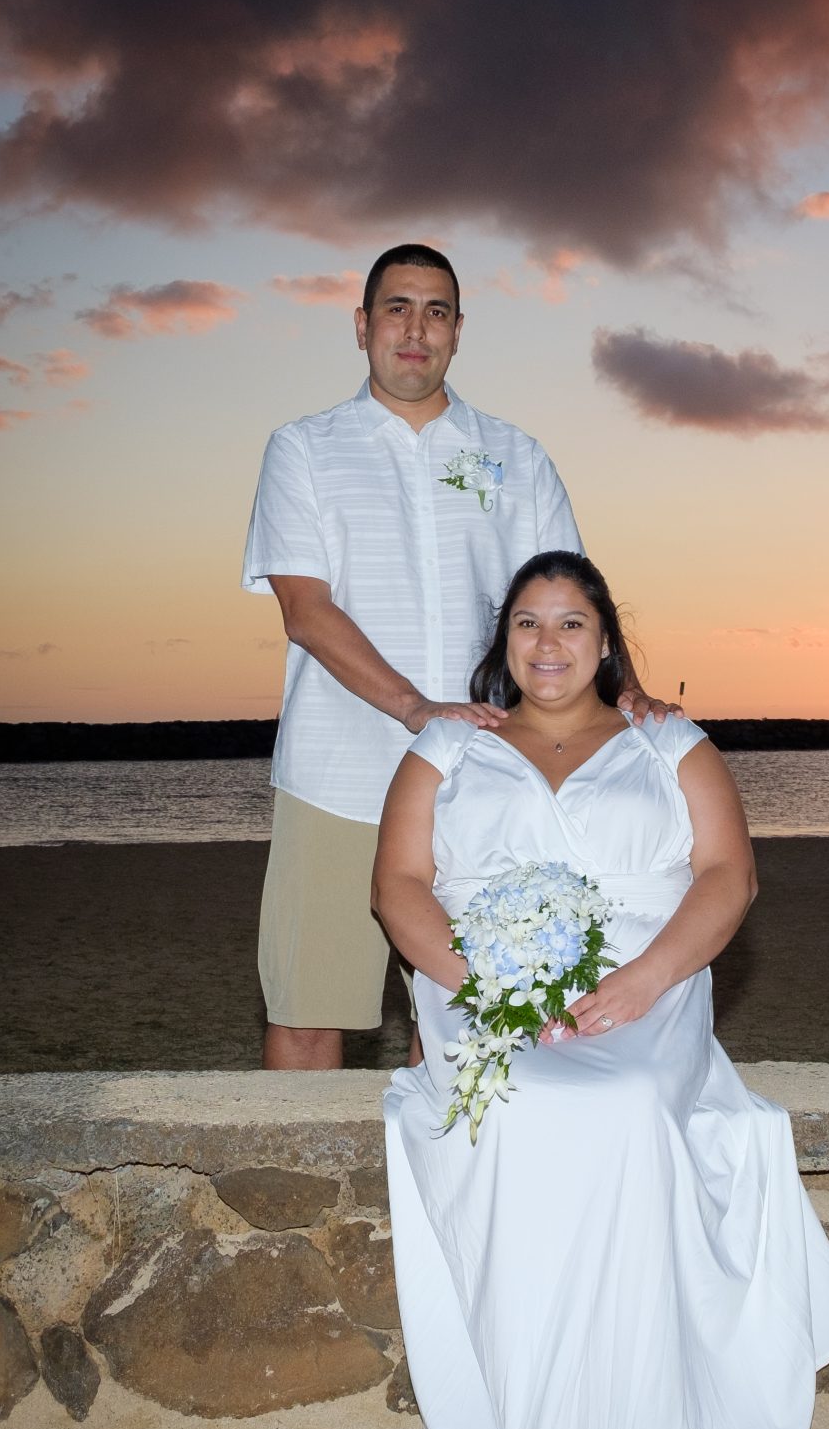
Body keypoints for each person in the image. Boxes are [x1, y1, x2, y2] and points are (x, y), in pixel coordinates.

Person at [373, 551, 829, 1429]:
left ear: (605, 643)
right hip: (476, 978)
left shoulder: (668, 743)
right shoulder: (448, 747)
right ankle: (538, 1383)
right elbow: (397, 886)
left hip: (649, 974)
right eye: (526, 623)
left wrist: (644, 980)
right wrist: (483, 989)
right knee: (529, 1097)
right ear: (501, 641)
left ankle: (642, 1392)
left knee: (628, 1096)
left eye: (569, 624)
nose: (546, 644)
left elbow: (728, 875)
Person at [243, 244, 614, 1071]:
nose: (416, 328)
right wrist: (419, 709)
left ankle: (444, 1200)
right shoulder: (302, 449)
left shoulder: (515, 456)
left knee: (468, 1019)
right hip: (334, 776)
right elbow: (306, 613)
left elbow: (567, 612)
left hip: (483, 776)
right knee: (308, 1015)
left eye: (437, 310)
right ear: (363, 325)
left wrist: (629, 706)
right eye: (397, 308)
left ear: (457, 332)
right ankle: (309, 1207)